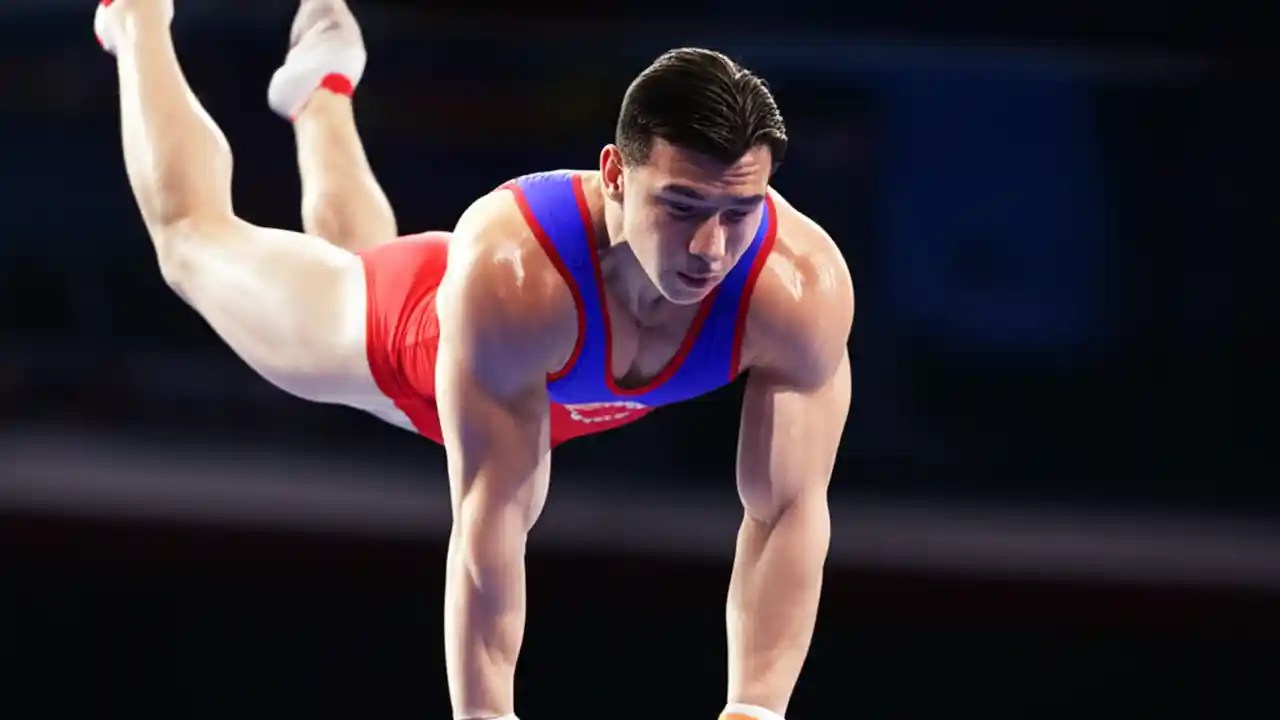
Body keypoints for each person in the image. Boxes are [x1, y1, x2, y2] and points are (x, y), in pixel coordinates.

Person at [93, 1, 855, 718]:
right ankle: (137, 19)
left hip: (506, 362)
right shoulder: (518, 275)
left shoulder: (796, 290)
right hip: (400, 339)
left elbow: (787, 510)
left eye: (738, 213)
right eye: (682, 208)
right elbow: (493, 527)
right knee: (193, 243)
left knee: (349, 254)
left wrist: (753, 707)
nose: (710, 249)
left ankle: (322, 88)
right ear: (616, 176)